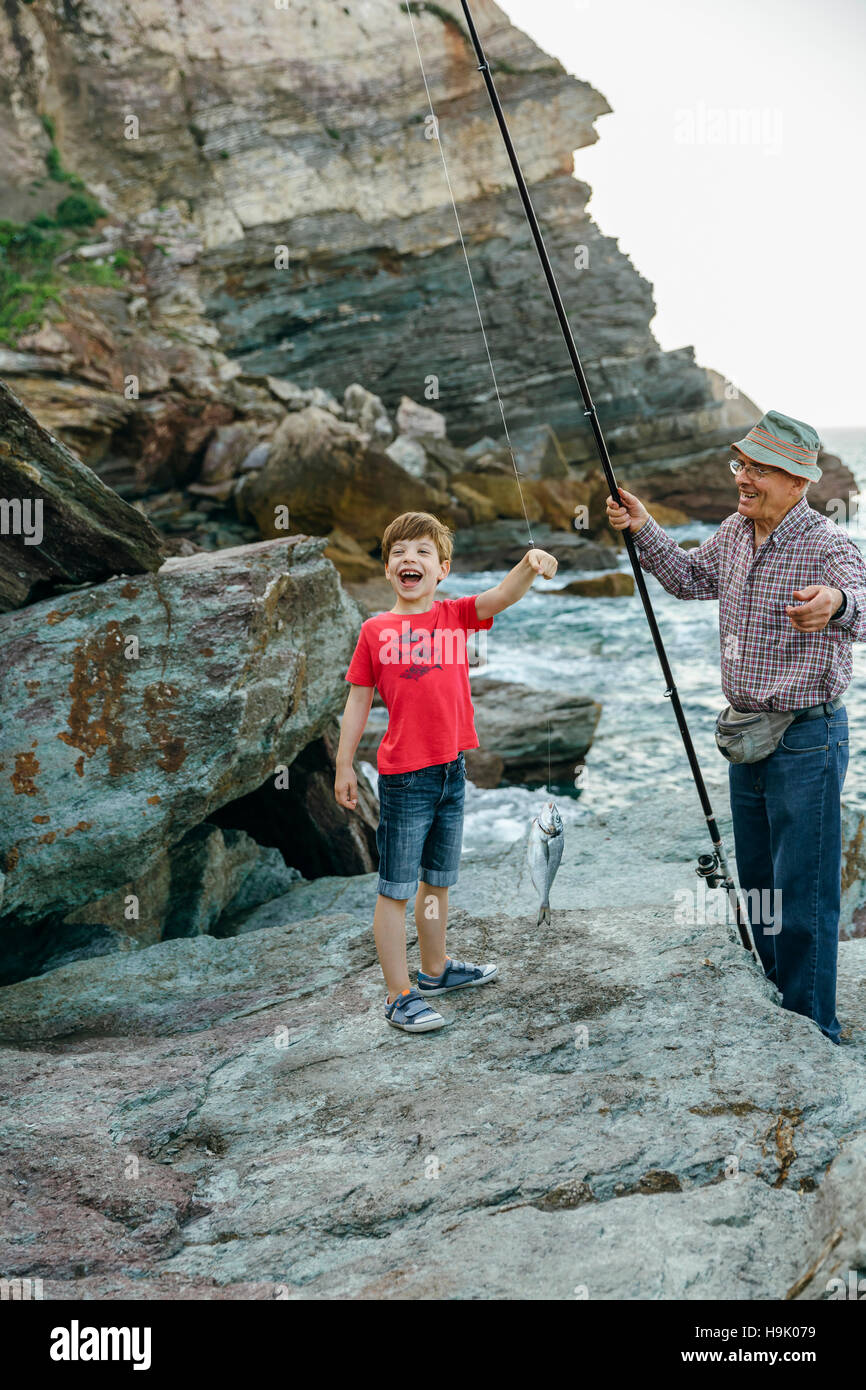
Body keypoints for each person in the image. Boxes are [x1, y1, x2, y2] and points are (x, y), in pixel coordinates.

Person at [606, 409, 866, 1044]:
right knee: (758, 884)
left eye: (759, 469)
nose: (743, 478)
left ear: (798, 482)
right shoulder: (733, 530)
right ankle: (779, 1001)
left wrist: (833, 606)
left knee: (803, 889)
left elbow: (858, 597)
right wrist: (643, 528)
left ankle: (812, 1030)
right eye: (741, 465)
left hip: (807, 736)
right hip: (746, 735)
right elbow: (693, 579)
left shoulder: (825, 542)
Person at [334, 509, 558, 1033]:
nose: (409, 559)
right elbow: (357, 702)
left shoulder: (456, 616)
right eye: (398, 554)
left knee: (437, 883)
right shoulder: (375, 630)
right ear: (388, 570)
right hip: (404, 780)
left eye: (422, 552)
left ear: (443, 569)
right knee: (395, 889)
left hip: (451, 772)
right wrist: (344, 764)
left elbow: (501, 596)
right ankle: (398, 995)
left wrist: (529, 564)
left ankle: (434, 972)